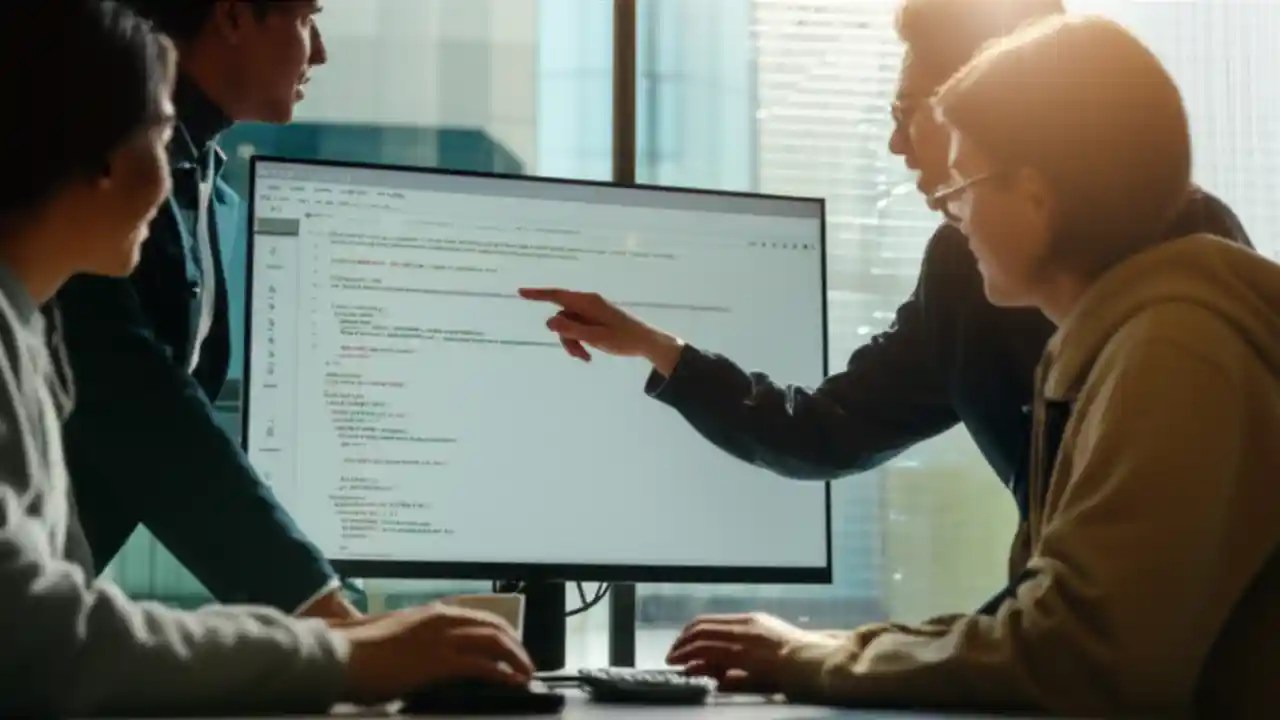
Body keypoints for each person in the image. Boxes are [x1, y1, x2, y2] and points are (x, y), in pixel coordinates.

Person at [519, 0, 1254, 662]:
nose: (898, 144)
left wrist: (825, 656)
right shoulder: (972, 276)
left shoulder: (1176, 333)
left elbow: (1086, 646)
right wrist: (657, 348)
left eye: (911, 112)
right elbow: (829, 429)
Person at [0, 2, 533, 715]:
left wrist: (338, 639)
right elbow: (144, 416)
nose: (320, 54)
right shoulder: (39, 323)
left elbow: (55, 625)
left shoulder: (32, 332)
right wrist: (339, 643)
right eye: (161, 140)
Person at [56, 0, 356, 618]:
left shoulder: (211, 195)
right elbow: (138, 406)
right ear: (234, 17)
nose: (320, 51)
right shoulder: (87, 179)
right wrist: (325, 617)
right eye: (307, 18)